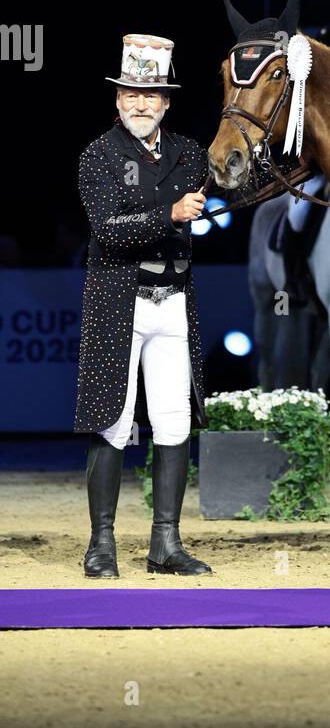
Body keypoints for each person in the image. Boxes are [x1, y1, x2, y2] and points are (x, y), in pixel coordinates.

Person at [74, 34, 212, 579]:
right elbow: (107, 230)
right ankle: (101, 544)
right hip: (119, 301)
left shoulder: (190, 153)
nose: (140, 103)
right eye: (131, 92)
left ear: (167, 102)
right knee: (113, 422)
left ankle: (166, 544)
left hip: (174, 301)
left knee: (174, 421)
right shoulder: (98, 155)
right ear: (117, 99)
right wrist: (171, 213)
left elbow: (222, 187)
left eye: (151, 94)